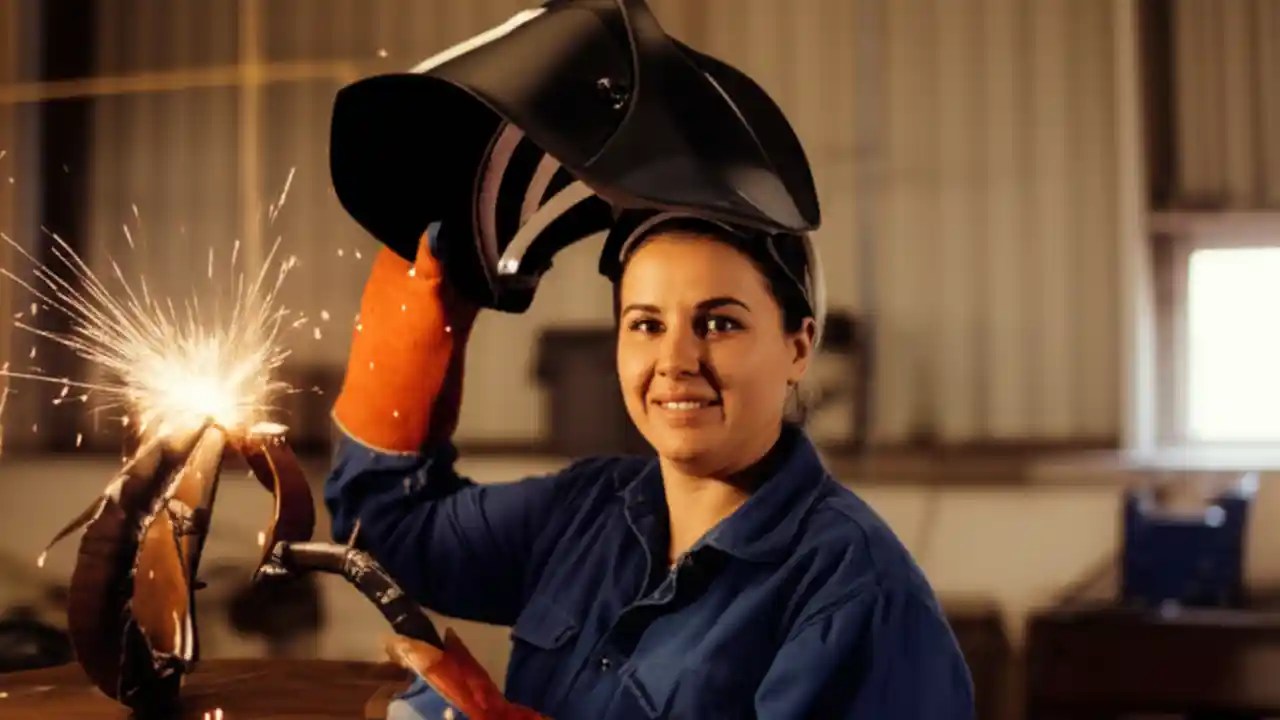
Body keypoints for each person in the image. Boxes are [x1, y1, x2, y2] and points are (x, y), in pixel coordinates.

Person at [325, 214, 975, 718]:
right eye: (645, 325)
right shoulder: (585, 512)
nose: (676, 360)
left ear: (798, 346)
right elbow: (385, 532)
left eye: (718, 324)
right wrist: (424, 303)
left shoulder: (857, 594)